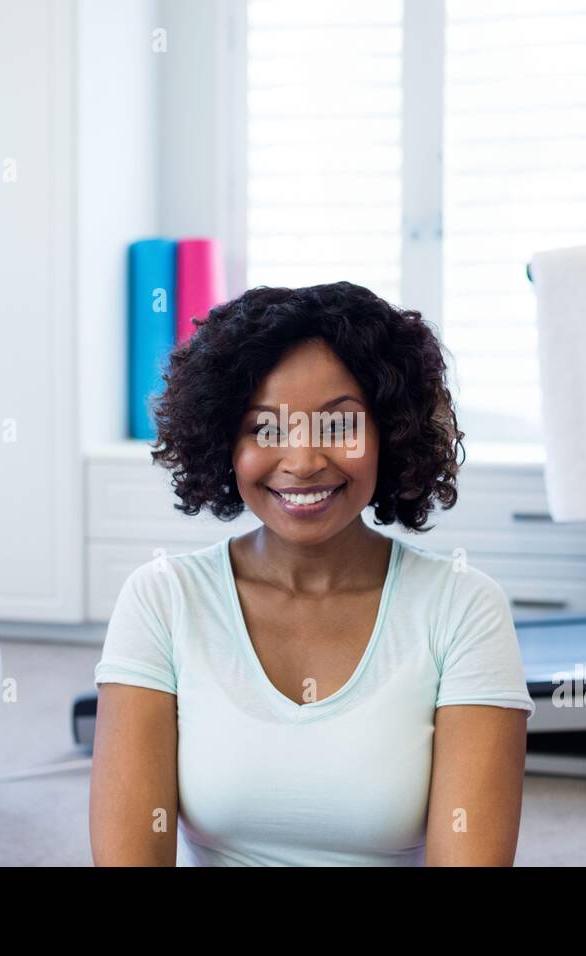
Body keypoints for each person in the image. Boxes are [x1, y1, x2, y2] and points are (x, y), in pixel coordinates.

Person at [88, 281, 534, 866]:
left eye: (339, 426)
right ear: (225, 440)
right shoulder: (163, 601)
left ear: (388, 433)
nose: (301, 462)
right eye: (265, 428)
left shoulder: (463, 608)